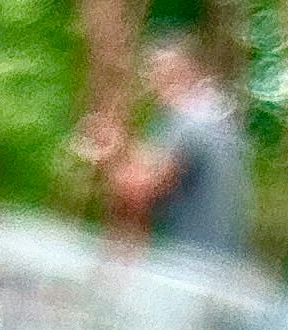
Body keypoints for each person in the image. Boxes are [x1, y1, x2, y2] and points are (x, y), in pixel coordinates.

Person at [108, 33, 251, 259]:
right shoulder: (219, 118)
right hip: (223, 258)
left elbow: (140, 189)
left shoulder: (187, 121)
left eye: (155, 72)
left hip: (191, 263)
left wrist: (116, 148)